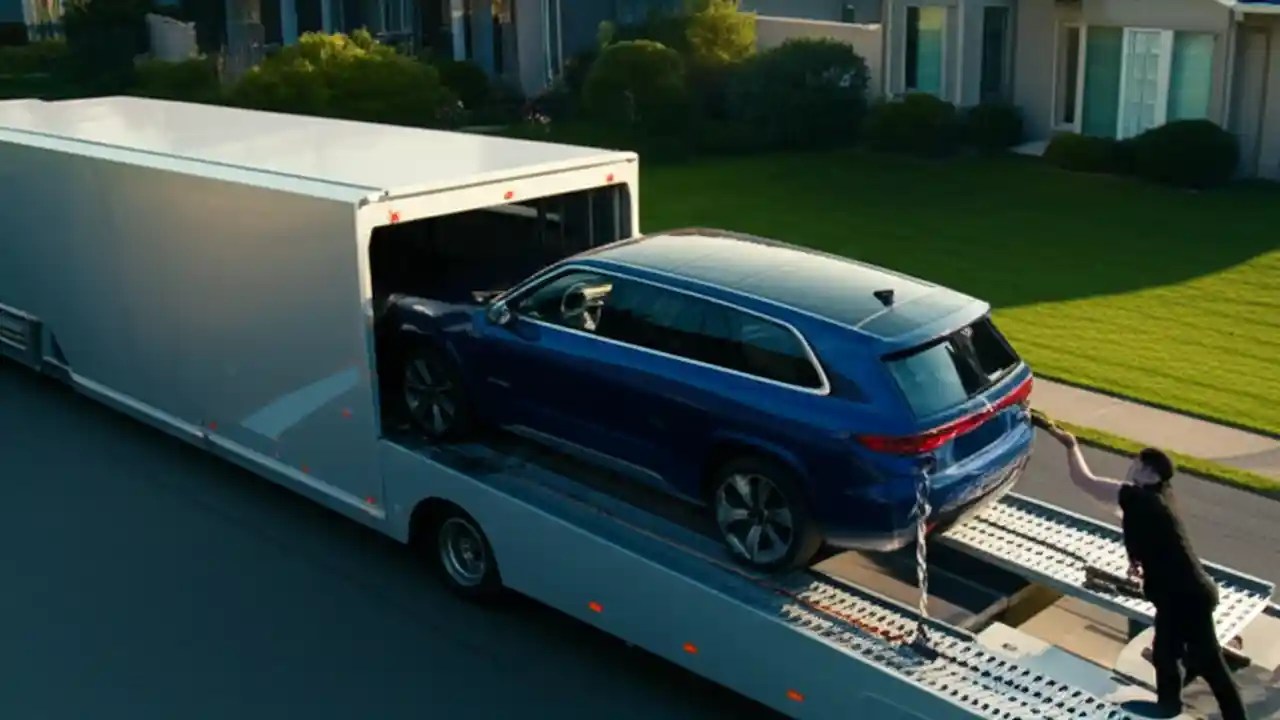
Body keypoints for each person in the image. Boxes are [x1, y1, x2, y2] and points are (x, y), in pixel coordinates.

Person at [1033, 411, 1248, 720]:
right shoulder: (1159, 498)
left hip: (1185, 597)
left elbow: (1086, 482)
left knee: (1209, 663)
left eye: (1138, 463)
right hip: (1182, 594)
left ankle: (1226, 716)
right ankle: (1169, 705)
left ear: (1150, 474)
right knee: (1166, 652)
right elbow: (1141, 531)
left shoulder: (1136, 496)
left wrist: (1070, 446)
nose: (1132, 464)